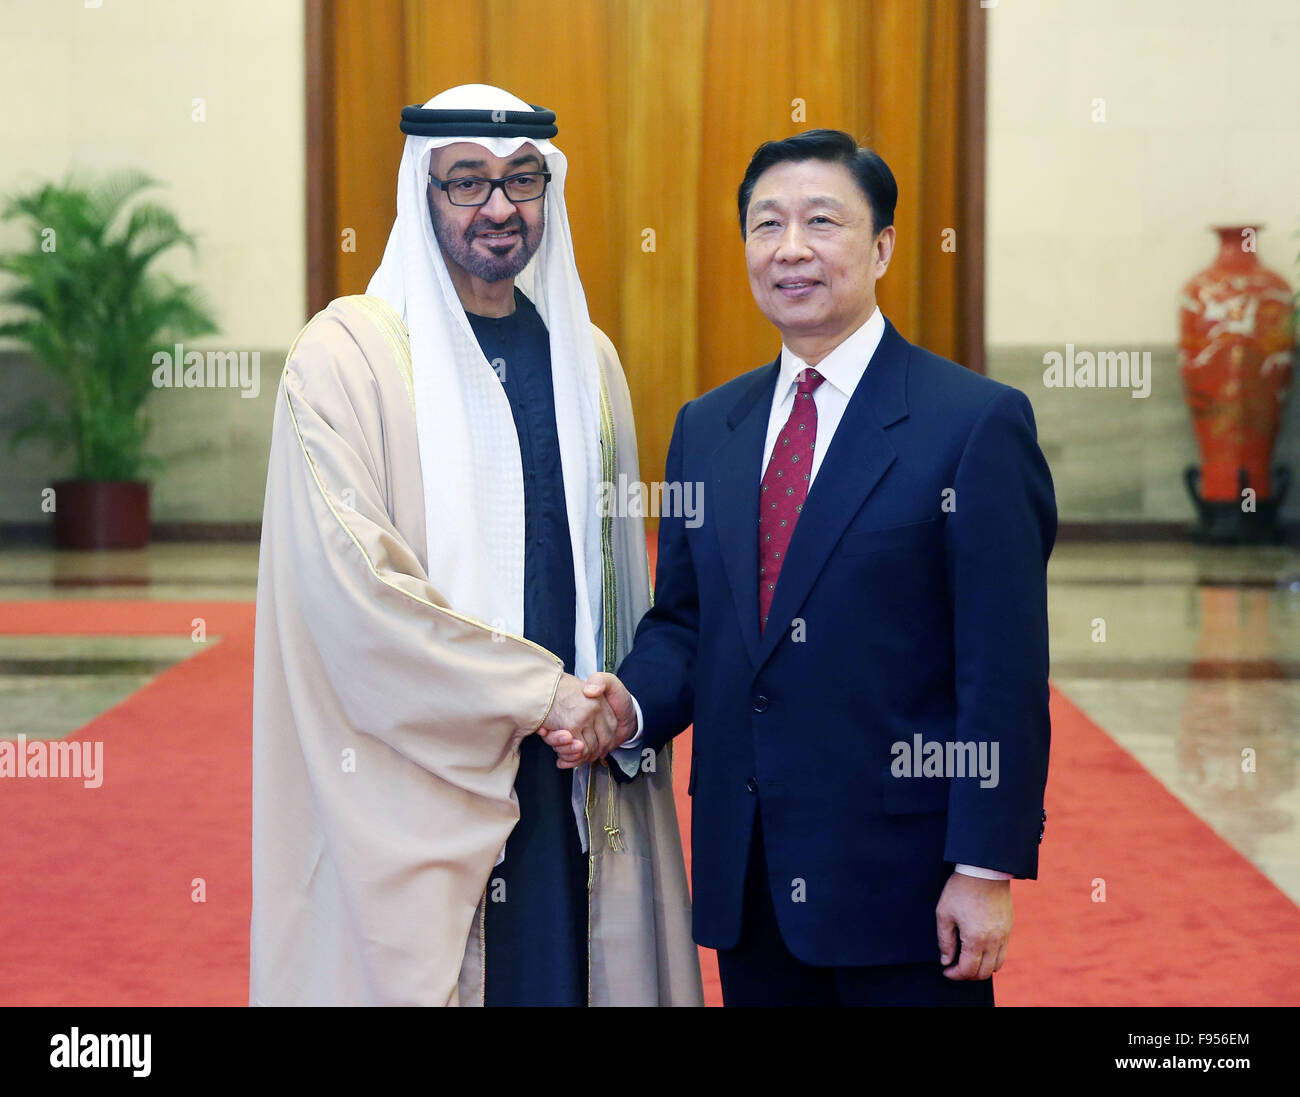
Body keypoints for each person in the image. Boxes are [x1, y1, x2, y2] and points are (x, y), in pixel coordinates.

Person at [555, 129, 1056, 1006]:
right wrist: (628, 704)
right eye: (766, 224)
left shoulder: (972, 424)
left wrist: (983, 866)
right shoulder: (709, 427)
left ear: (883, 246)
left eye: (822, 222)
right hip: (749, 873)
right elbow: (687, 621)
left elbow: (1003, 671)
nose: (791, 249)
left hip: (903, 882)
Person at [250, 84, 701, 1007]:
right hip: (425, 772)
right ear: (425, 193)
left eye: (522, 179)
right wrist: (532, 693)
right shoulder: (347, 359)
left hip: (574, 772)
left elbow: (620, 585)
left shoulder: (590, 359)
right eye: (467, 182)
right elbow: (353, 589)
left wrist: (607, 709)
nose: (499, 206)